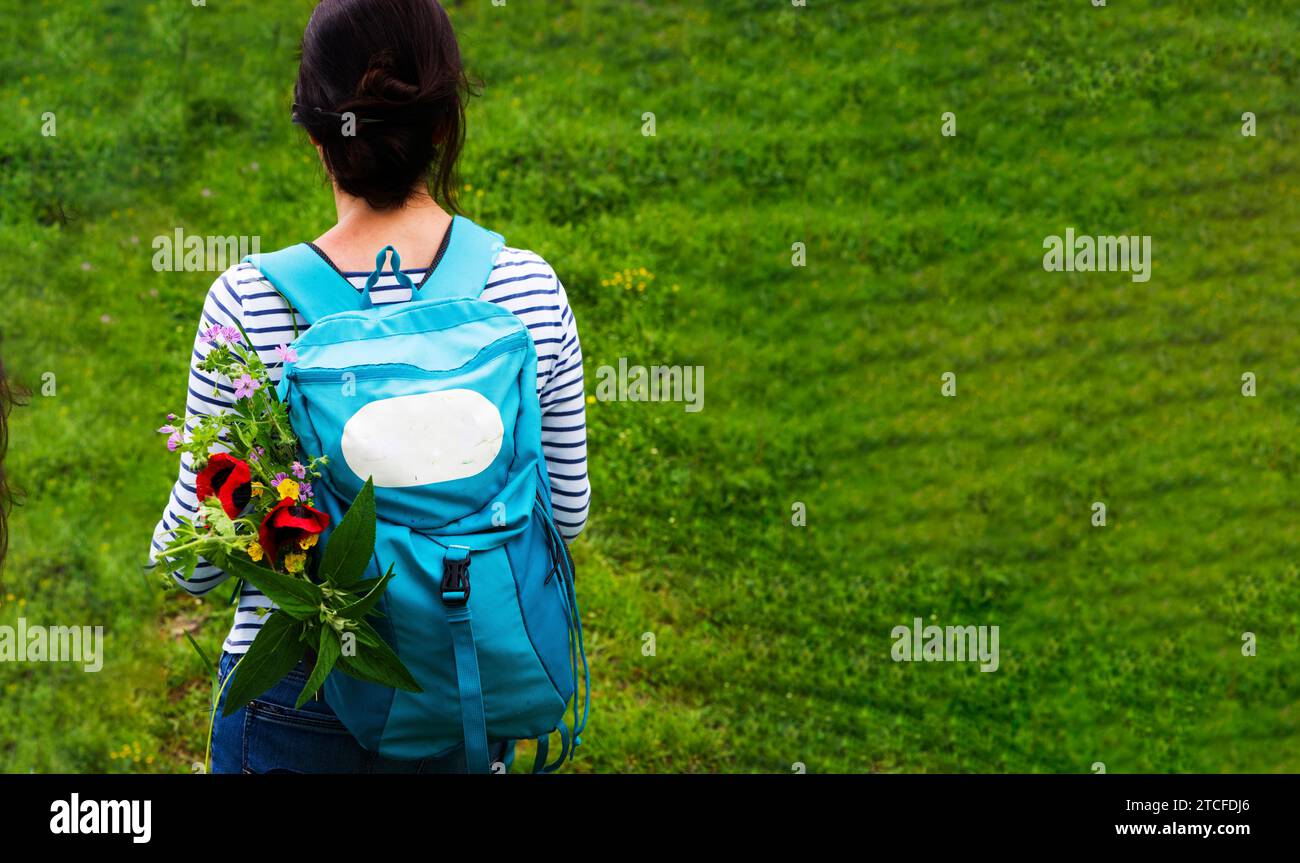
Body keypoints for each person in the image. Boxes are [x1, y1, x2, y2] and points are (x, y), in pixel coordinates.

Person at [149, 0, 590, 773]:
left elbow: (197, 562)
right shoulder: (525, 289)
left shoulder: (248, 301)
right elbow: (567, 516)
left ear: (315, 132)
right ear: (445, 126)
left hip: (294, 692)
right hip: (461, 680)